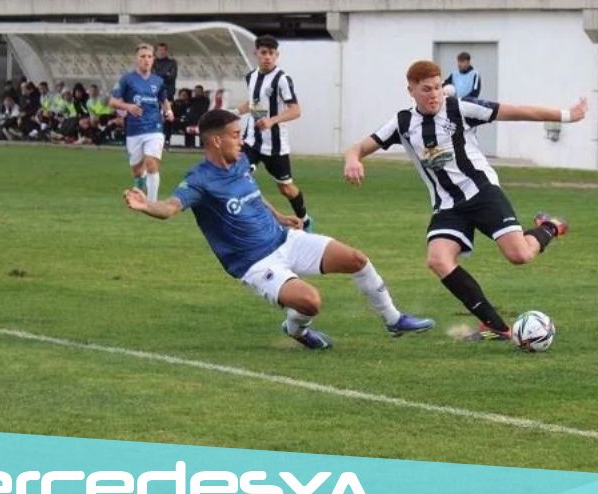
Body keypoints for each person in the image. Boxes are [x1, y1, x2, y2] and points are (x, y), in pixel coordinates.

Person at [124, 109, 436, 349]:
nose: (241, 140)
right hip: (256, 264)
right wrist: (145, 205)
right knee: (311, 302)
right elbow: (169, 208)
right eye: (235, 134)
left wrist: (281, 216)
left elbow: (252, 196)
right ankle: (296, 330)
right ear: (216, 141)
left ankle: (394, 320)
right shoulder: (200, 180)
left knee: (356, 259)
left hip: (285, 238)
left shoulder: (240, 161)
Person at [343, 60, 586, 342]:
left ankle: (549, 227)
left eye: (437, 87)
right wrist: (352, 159)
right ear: (411, 90)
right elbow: (359, 147)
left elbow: (516, 111)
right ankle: (496, 326)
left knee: (519, 255)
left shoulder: (460, 108)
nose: (434, 94)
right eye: (426, 89)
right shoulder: (403, 123)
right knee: (438, 260)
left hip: (482, 192)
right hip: (447, 206)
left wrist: (567, 115)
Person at [237, 36, 314, 231]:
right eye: (263, 53)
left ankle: (304, 220)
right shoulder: (251, 76)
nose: (267, 57)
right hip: (252, 141)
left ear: (276, 55)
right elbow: (255, 103)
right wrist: (234, 113)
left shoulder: (282, 80)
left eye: (271, 53)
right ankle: (254, 220)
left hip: (275, 145)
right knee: (239, 175)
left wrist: (272, 121)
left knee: (286, 188)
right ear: (256, 54)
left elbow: (295, 110)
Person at [110, 43, 174, 200]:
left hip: (155, 128)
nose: (146, 60)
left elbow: (163, 99)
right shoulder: (127, 79)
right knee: (137, 170)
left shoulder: (158, 80)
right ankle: (140, 180)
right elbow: (112, 101)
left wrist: (169, 111)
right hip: (134, 130)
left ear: (153, 60)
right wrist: (128, 106)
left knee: (151, 163)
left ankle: (151, 203)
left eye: (149, 57)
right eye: (143, 56)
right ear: (136, 59)